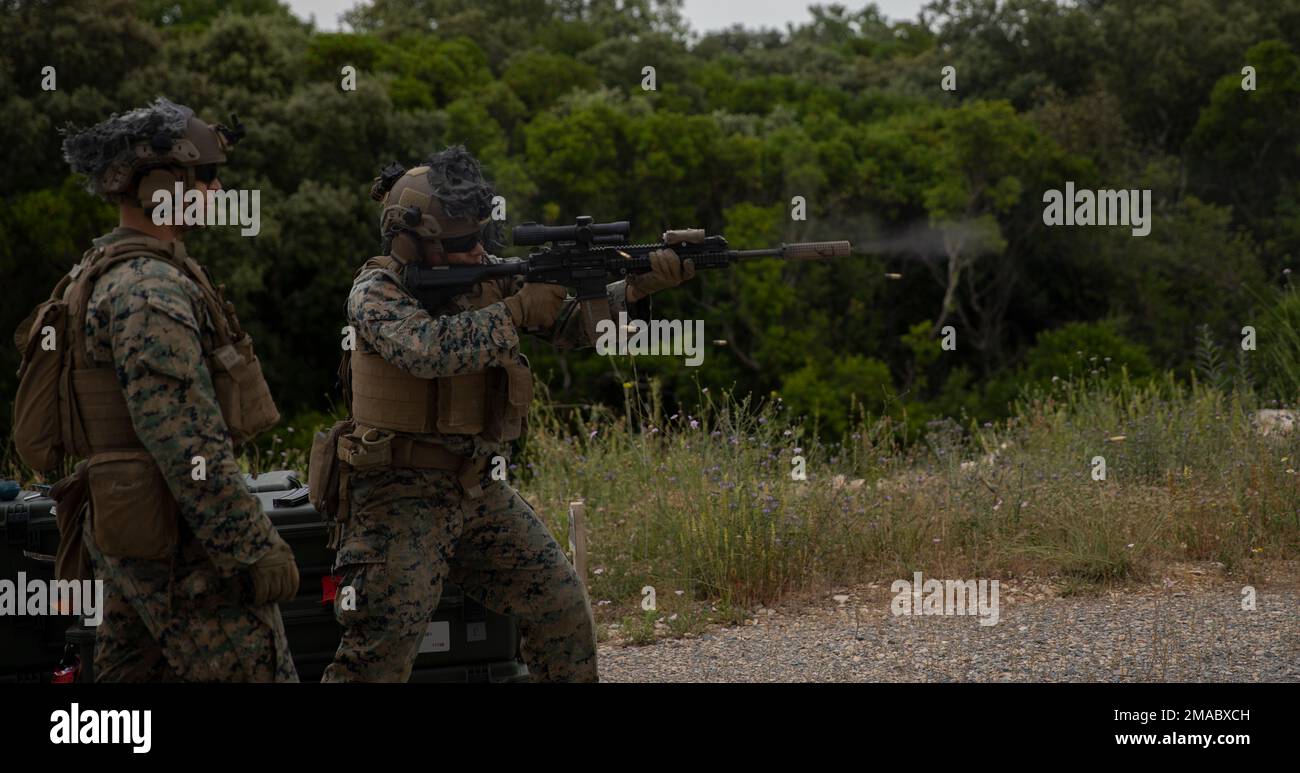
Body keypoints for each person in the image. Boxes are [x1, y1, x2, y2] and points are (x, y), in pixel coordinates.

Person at [322, 146, 695, 682]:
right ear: (413, 239)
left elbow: (571, 327)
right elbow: (424, 349)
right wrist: (518, 311)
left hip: (477, 487)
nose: (477, 252)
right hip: (395, 493)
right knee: (377, 656)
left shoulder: (489, 274)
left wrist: (636, 287)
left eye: (480, 239)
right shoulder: (377, 289)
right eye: (459, 244)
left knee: (562, 609)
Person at [17, 97, 299, 681]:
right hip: (179, 545)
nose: (220, 192)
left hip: (133, 534)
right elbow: (183, 439)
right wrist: (251, 546)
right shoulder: (151, 290)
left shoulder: (107, 269)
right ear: (162, 186)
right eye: (209, 177)